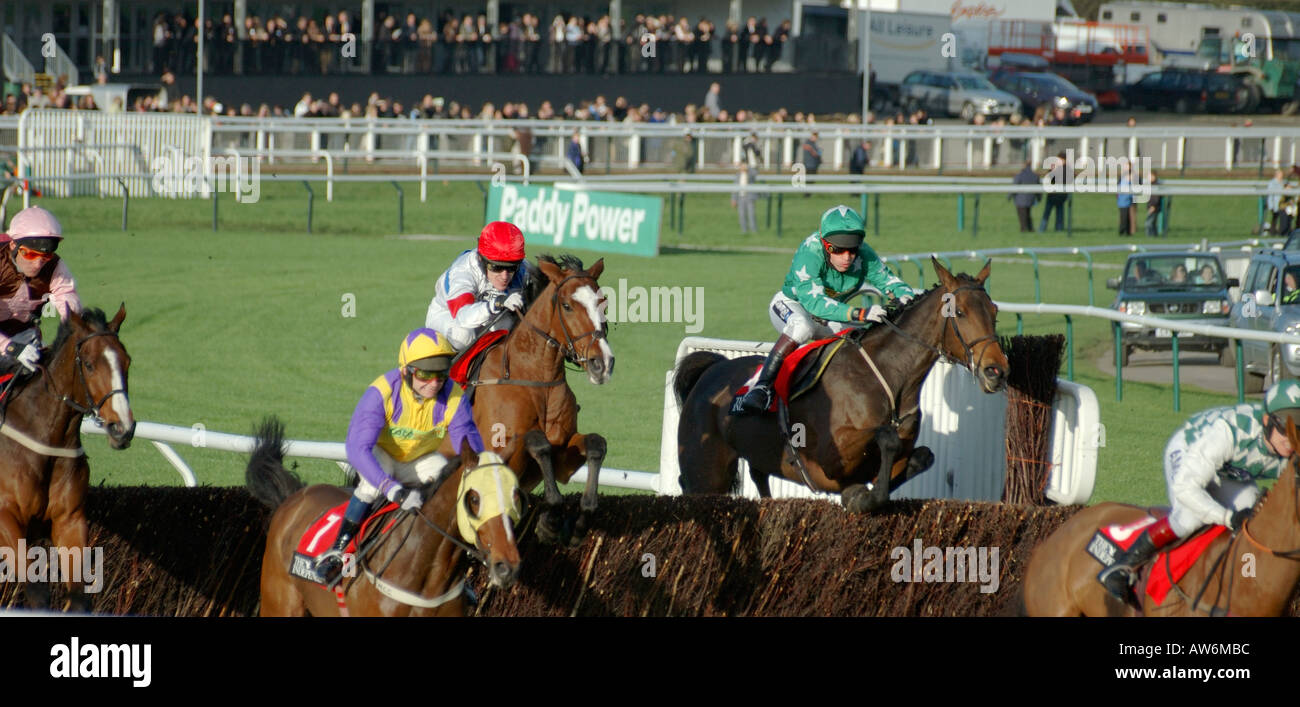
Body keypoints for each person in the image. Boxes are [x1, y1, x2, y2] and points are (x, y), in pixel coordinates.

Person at [1097, 379, 1300, 603]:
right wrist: (1226, 517)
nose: (1291, 439)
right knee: (1190, 516)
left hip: (1230, 472)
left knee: (1251, 518)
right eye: (1285, 428)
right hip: (1189, 451)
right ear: (1266, 421)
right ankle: (1123, 566)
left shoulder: (1291, 445)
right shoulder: (1229, 432)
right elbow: (1185, 487)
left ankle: (1246, 577)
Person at [313, 328, 484, 584]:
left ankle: (456, 565)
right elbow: (357, 448)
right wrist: (391, 489)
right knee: (372, 487)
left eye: (440, 374)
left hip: (420, 459)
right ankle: (338, 550)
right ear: (405, 371)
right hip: (379, 455)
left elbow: (470, 447)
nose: (435, 383)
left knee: (453, 484)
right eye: (425, 374)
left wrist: (484, 471)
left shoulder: (453, 395)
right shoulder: (381, 392)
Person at [731, 205, 918, 415]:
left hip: (831, 316)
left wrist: (905, 297)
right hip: (792, 306)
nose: (846, 256)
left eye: (852, 249)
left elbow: (892, 283)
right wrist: (860, 313)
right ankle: (762, 387)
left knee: (858, 338)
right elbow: (815, 303)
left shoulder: (864, 254)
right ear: (824, 243)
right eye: (837, 249)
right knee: (803, 327)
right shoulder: (810, 251)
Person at [0, 206, 82, 376]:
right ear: (14, 245)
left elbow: (66, 295)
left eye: (45, 256)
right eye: (30, 254)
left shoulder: (55, 266)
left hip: (24, 336)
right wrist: (9, 346)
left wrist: (75, 327)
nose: (38, 263)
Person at [425, 221, 531, 352]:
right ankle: (448, 372)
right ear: (481, 259)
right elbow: (463, 317)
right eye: (496, 267)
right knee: (463, 336)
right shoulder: (463, 271)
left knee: (508, 326)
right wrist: (496, 303)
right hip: (449, 317)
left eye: (511, 268)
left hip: (488, 318)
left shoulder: (524, 269)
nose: (504, 276)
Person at [1039, 152, 1068, 232]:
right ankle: (1044, 229)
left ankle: (1055, 229)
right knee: (1051, 213)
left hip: (1058, 195)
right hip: (1054, 195)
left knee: (1056, 213)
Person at [1011, 159, 1039, 233]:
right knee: (1028, 214)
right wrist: (1039, 198)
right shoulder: (1035, 175)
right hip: (1030, 199)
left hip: (1020, 199)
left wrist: (1009, 196)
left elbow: (1014, 186)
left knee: (1022, 215)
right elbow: (1038, 188)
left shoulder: (1019, 175)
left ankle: (1023, 229)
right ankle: (1030, 229)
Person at [732, 161, 757, 234]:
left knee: (751, 215)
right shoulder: (737, 175)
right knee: (742, 215)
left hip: (750, 197)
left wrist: (748, 168)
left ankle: (754, 231)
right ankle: (744, 230)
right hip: (740, 197)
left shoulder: (750, 173)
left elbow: (755, 174)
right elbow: (735, 187)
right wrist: (734, 199)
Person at [1117, 160, 1135, 236]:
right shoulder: (1122, 176)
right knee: (1123, 216)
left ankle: (1129, 231)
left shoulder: (1134, 175)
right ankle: (1122, 231)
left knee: (1130, 217)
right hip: (1122, 199)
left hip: (1130, 200)